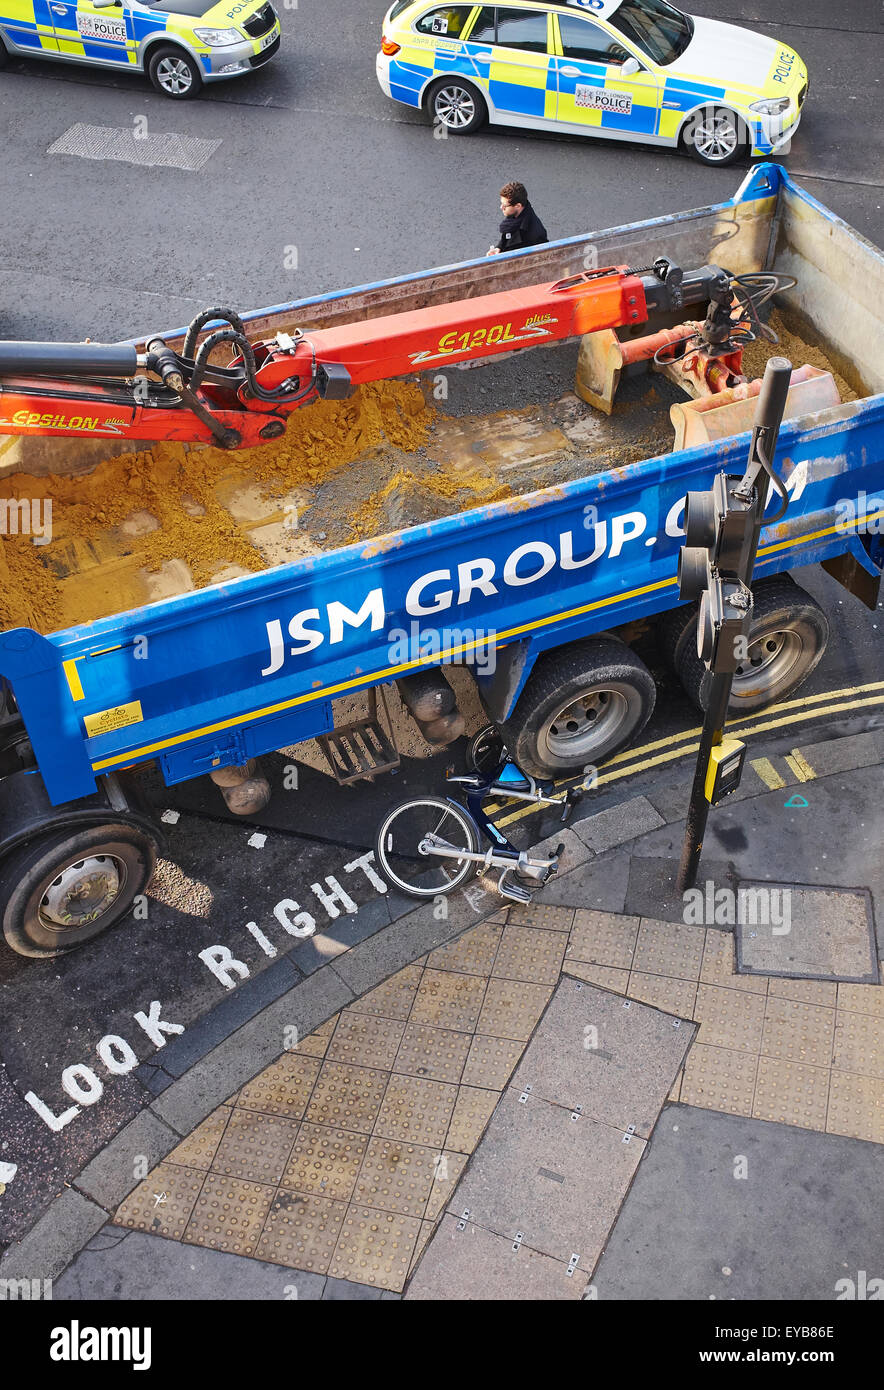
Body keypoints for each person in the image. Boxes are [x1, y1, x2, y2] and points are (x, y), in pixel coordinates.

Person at [487, 182, 548, 256]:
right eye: (501, 203)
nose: (501, 207)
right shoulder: (516, 215)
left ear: (518, 206)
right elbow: (507, 237)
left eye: (505, 205)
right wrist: (499, 248)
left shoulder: (535, 234)